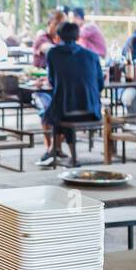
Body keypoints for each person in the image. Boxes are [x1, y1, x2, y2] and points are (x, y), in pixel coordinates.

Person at [38, 21, 103, 167]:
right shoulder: (92, 55)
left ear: (58, 36)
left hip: (66, 112)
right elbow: (100, 84)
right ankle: (59, 151)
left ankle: (60, 152)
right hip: (93, 110)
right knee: (65, 105)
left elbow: (52, 81)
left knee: (55, 110)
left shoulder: (53, 53)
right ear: (78, 36)